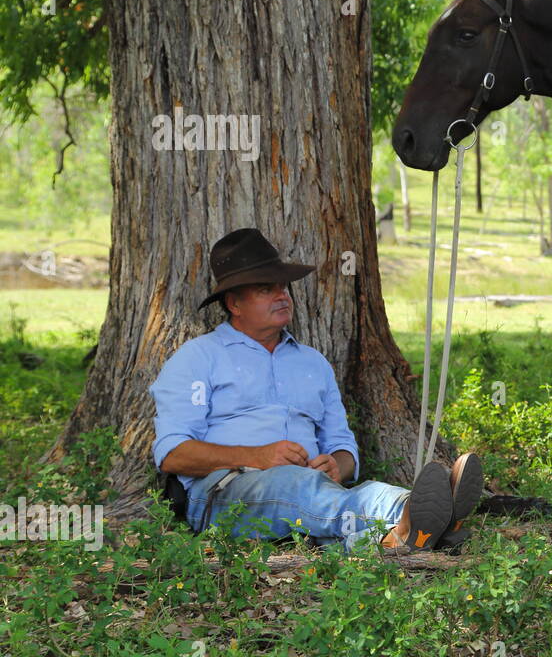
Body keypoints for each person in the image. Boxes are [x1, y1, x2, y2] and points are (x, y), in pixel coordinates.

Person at [149, 228, 481, 552]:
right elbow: (173, 454)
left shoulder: (312, 363)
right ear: (234, 303)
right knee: (296, 486)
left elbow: (341, 445)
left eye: (283, 286)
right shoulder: (198, 357)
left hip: (311, 491)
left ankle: (401, 537)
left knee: (320, 511)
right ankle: (413, 511)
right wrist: (256, 457)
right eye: (267, 289)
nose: (282, 295)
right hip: (225, 494)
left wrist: (337, 465)